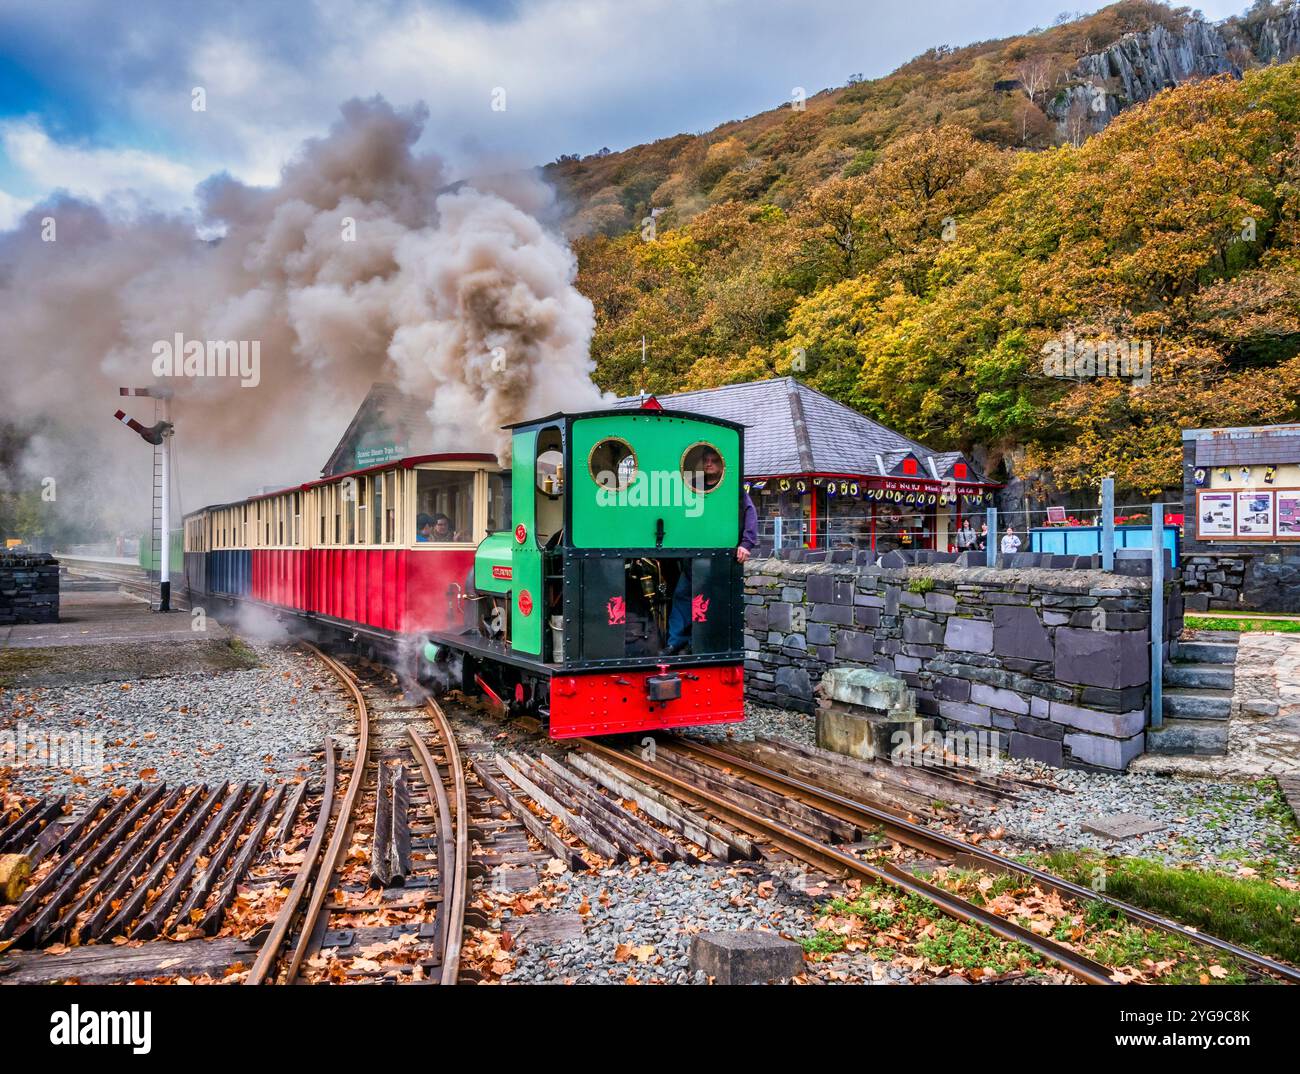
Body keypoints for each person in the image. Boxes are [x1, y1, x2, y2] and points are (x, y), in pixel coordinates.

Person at [663, 452, 757, 655]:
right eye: (705, 460)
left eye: (714, 461)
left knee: (710, 601)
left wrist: (746, 544)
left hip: (720, 556)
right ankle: (676, 642)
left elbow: (750, 513)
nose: (709, 464)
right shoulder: (692, 485)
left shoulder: (732, 488)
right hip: (693, 554)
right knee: (683, 596)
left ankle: (703, 644)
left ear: (722, 466)